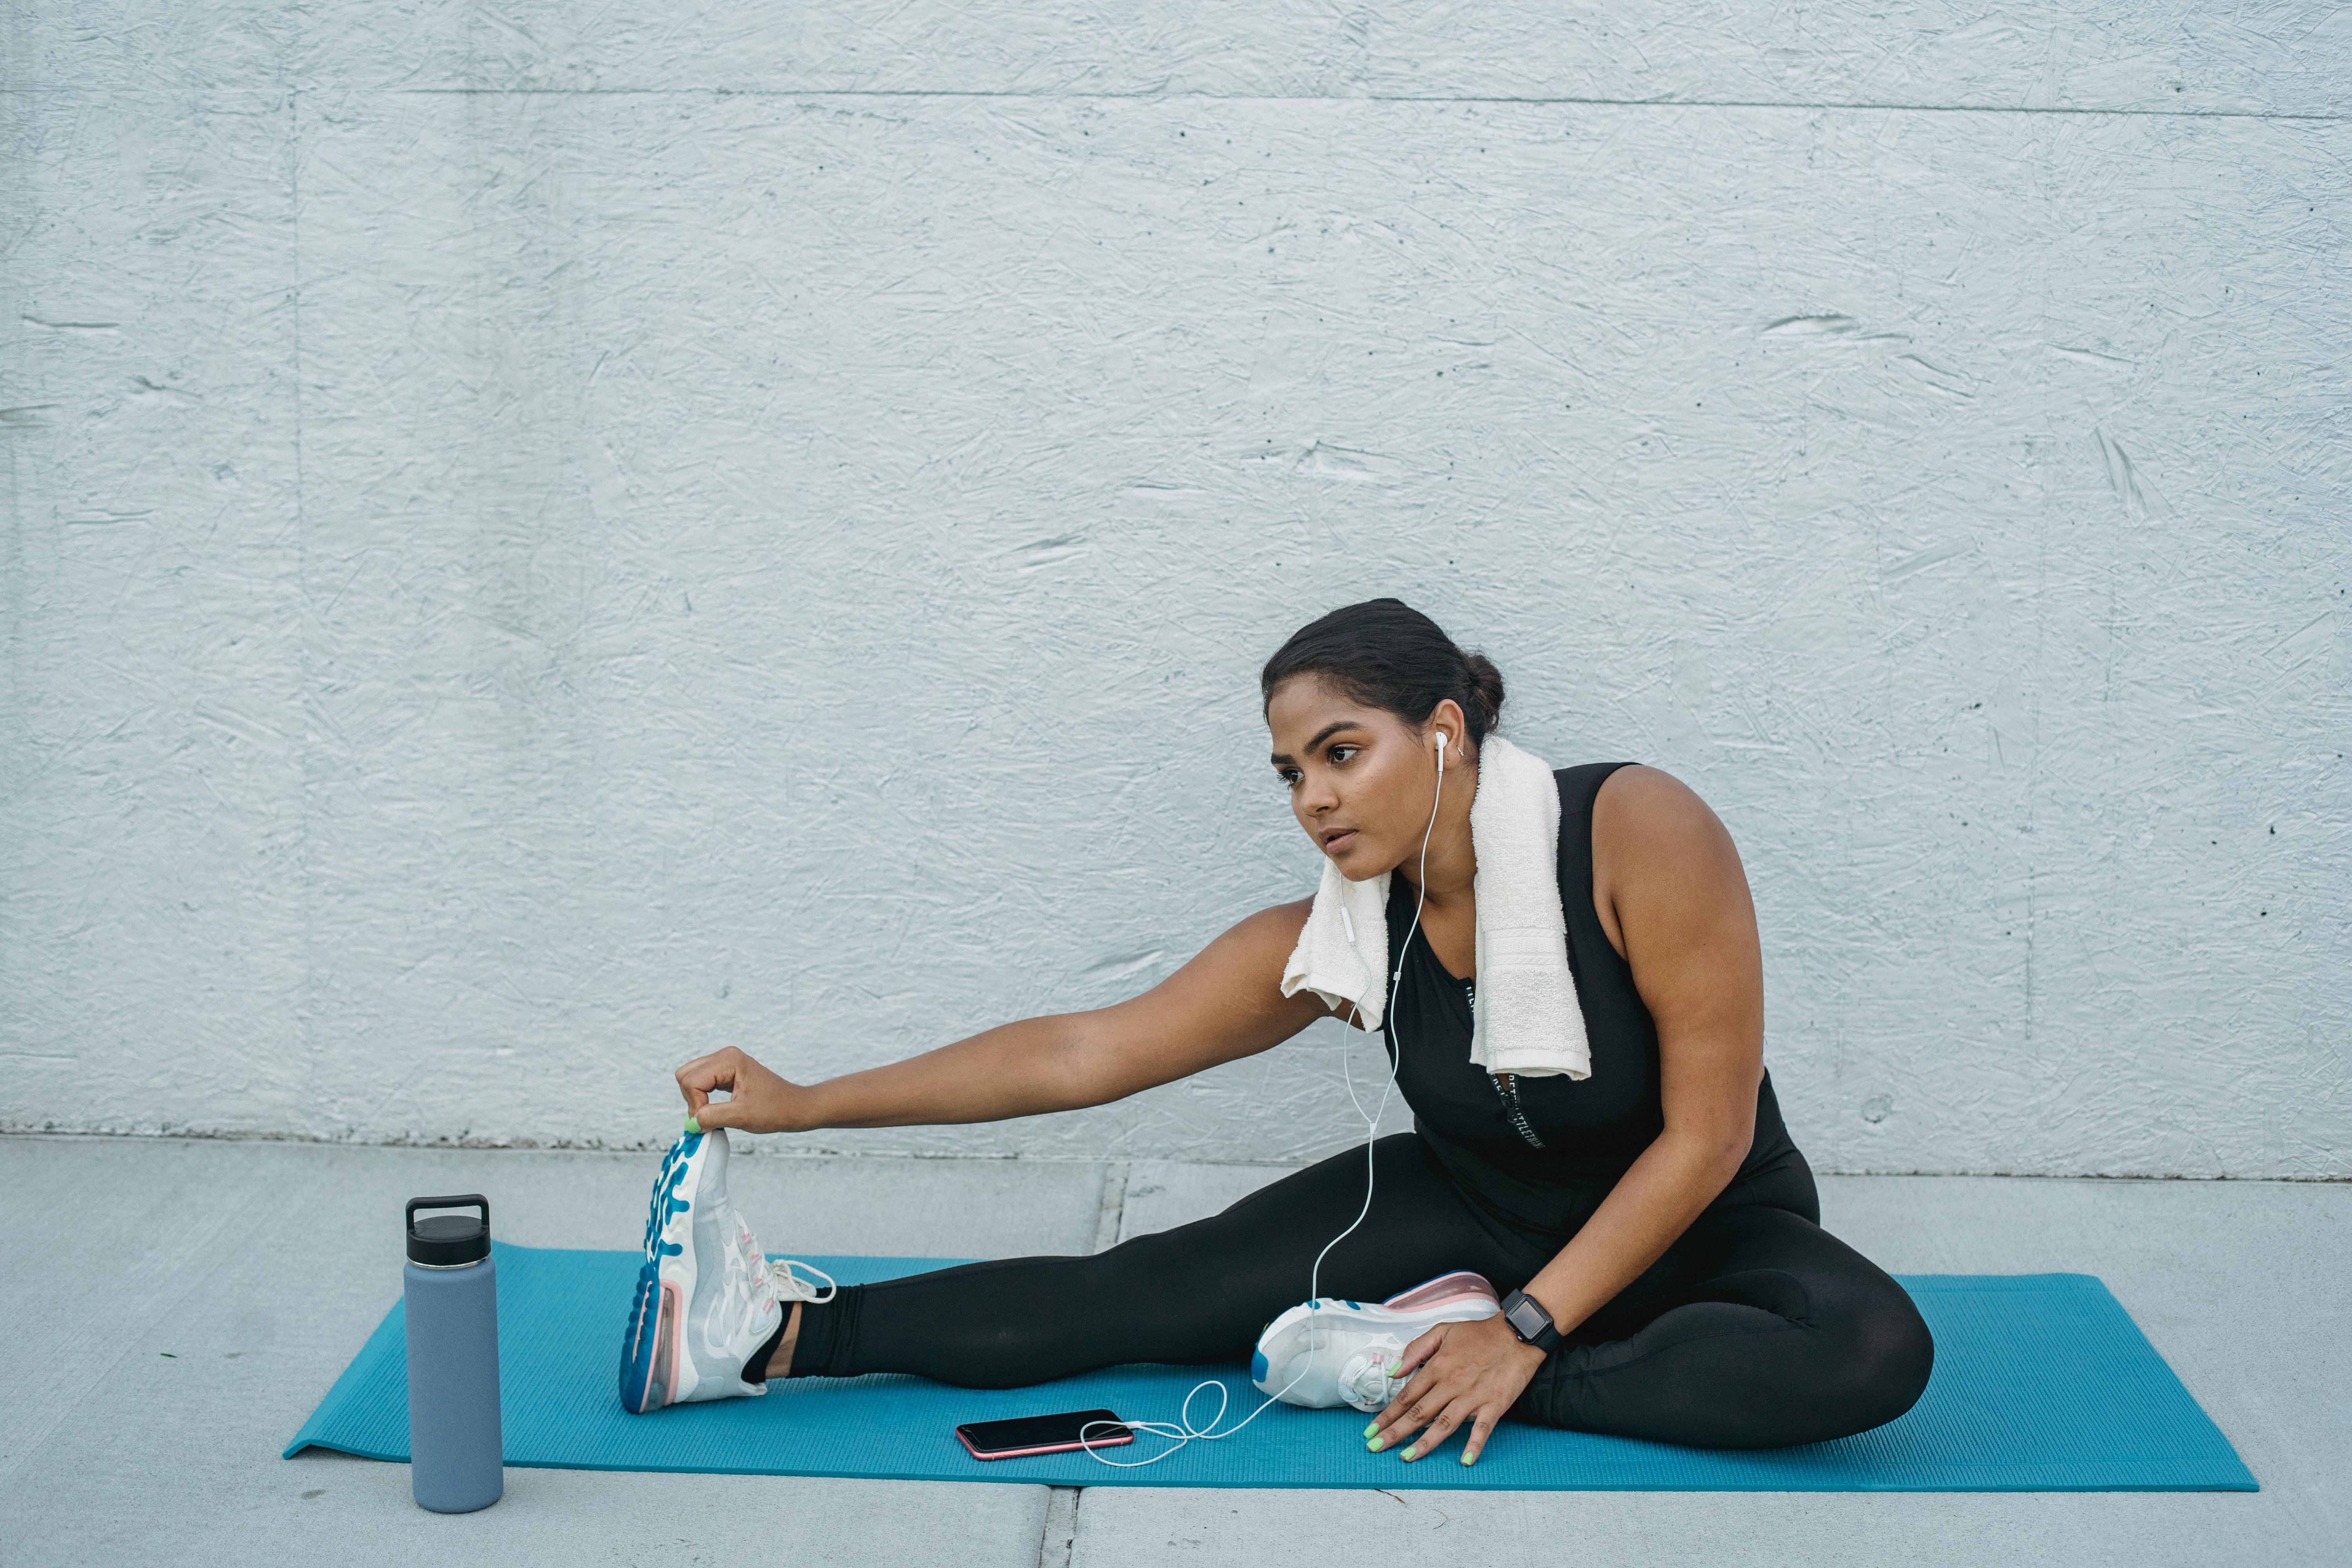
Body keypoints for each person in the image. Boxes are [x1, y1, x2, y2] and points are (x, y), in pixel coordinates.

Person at [618, 598, 1933, 1465]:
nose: (1312, 799)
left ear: (1447, 732)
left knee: (1873, 1349)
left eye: (1341, 752)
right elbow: (1085, 1054)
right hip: (1474, 1208)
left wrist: (1520, 1338)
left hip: (1707, 1222)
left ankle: (1423, 1362)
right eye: (1290, 772)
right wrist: (804, 1103)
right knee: (1147, 1292)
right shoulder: (1340, 934)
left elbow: (1708, 1135)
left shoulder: (1639, 832)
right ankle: (774, 1335)